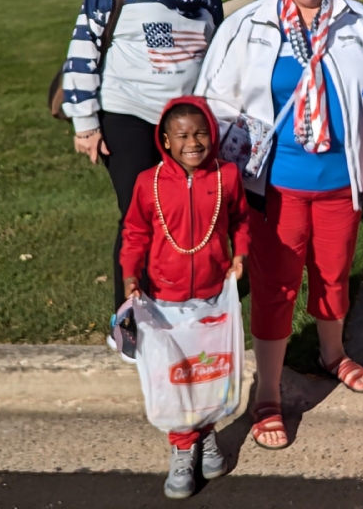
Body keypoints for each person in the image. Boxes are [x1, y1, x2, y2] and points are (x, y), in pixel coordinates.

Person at [194, 0, 363, 451]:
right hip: (274, 187)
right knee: (275, 284)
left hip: (341, 183)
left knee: (333, 274)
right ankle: (266, 389)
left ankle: (332, 354)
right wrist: (219, 174)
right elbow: (216, 102)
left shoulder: (360, 23)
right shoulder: (248, 25)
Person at [62, 0, 224, 321]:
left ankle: (180, 305)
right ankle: (130, 314)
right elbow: (83, 48)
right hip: (128, 116)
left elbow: (218, 53)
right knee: (139, 217)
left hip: (186, 122)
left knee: (187, 216)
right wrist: (85, 124)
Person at [119, 96, 249, 497]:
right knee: (175, 378)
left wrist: (239, 255)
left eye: (200, 133)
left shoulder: (227, 175)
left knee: (208, 372)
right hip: (165, 301)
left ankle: (206, 436)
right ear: (166, 140)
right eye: (183, 136)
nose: (193, 142)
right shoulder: (148, 183)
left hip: (212, 297)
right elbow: (135, 234)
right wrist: (130, 276)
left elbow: (241, 219)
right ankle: (182, 448)